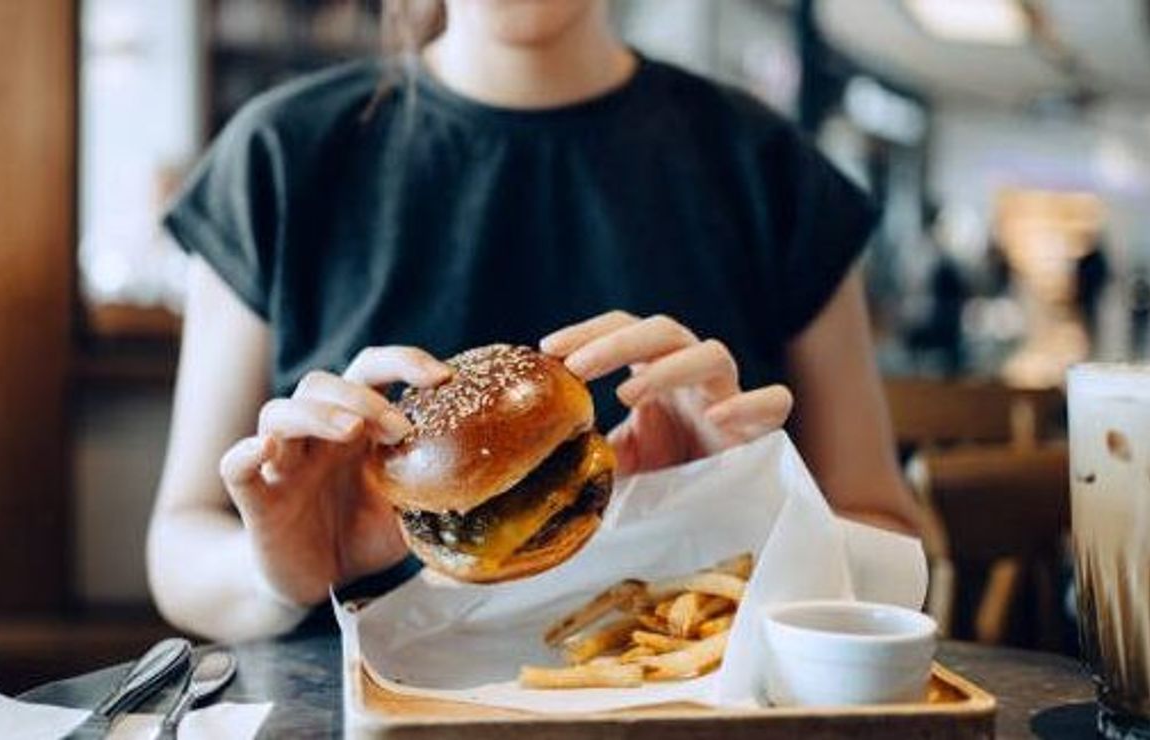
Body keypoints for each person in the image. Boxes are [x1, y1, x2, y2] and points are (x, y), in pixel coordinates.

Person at [147, 0, 920, 642]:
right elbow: (180, 541)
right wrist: (275, 572)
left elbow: (908, 557)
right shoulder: (277, 159)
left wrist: (762, 504)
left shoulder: (773, 174)